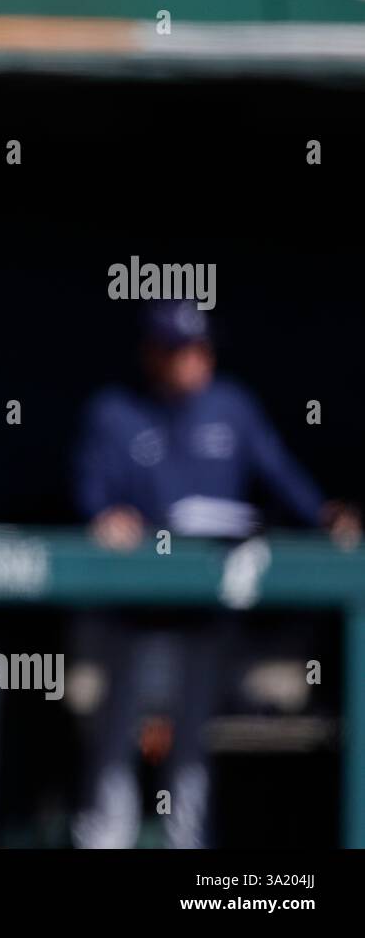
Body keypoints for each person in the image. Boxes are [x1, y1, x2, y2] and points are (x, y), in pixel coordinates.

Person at [70, 300, 360, 848]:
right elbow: (90, 494)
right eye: (178, 350)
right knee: (114, 744)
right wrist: (105, 517)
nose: (191, 361)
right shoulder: (115, 411)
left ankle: (191, 855)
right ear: (151, 354)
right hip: (133, 616)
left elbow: (279, 474)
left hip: (203, 614)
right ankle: (103, 840)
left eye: (199, 349)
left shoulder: (231, 407)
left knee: (190, 751)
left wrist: (324, 515)